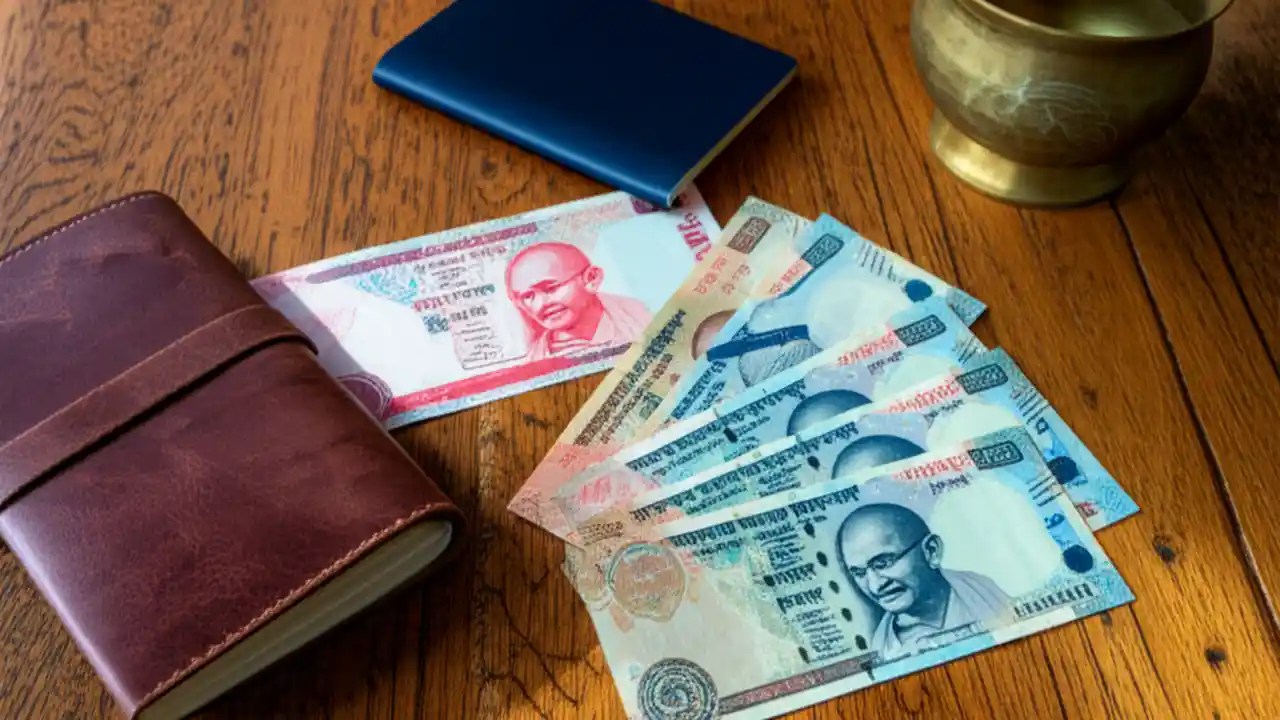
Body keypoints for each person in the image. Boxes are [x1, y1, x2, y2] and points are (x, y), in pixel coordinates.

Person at [836, 503, 1012, 660]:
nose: (875, 586)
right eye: (859, 573)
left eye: (884, 563)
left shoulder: (986, 590)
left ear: (931, 551)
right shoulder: (884, 652)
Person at [505, 242, 651, 360]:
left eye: (551, 288)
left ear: (592, 278)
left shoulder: (640, 316)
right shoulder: (535, 358)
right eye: (528, 296)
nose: (541, 304)